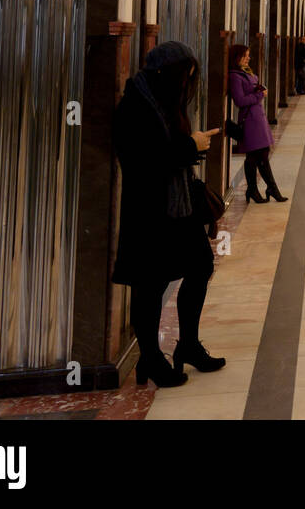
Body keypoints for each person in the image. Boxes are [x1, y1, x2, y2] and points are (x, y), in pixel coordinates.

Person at [111, 41, 224, 388]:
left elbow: (168, 150)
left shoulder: (164, 101)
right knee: (150, 284)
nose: (186, 84)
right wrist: (191, 145)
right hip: (150, 211)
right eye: (184, 76)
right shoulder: (135, 106)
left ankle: (188, 345)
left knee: (201, 266)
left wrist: (193, 145)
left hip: (178, 205)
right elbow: (141, 160)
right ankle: (150, 358)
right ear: (166, 73)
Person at [228, 45, 286, 204]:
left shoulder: (246, 72)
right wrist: (259, 95)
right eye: (245, 56)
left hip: (258, 117)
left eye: (248, 55)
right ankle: (265, 189)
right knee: (255, 154)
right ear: (236, 57)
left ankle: (259, 189)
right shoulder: (235, 76)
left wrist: (258, 90)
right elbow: (239, 101)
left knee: (261, 153)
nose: (248, 58)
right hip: (250, 120)